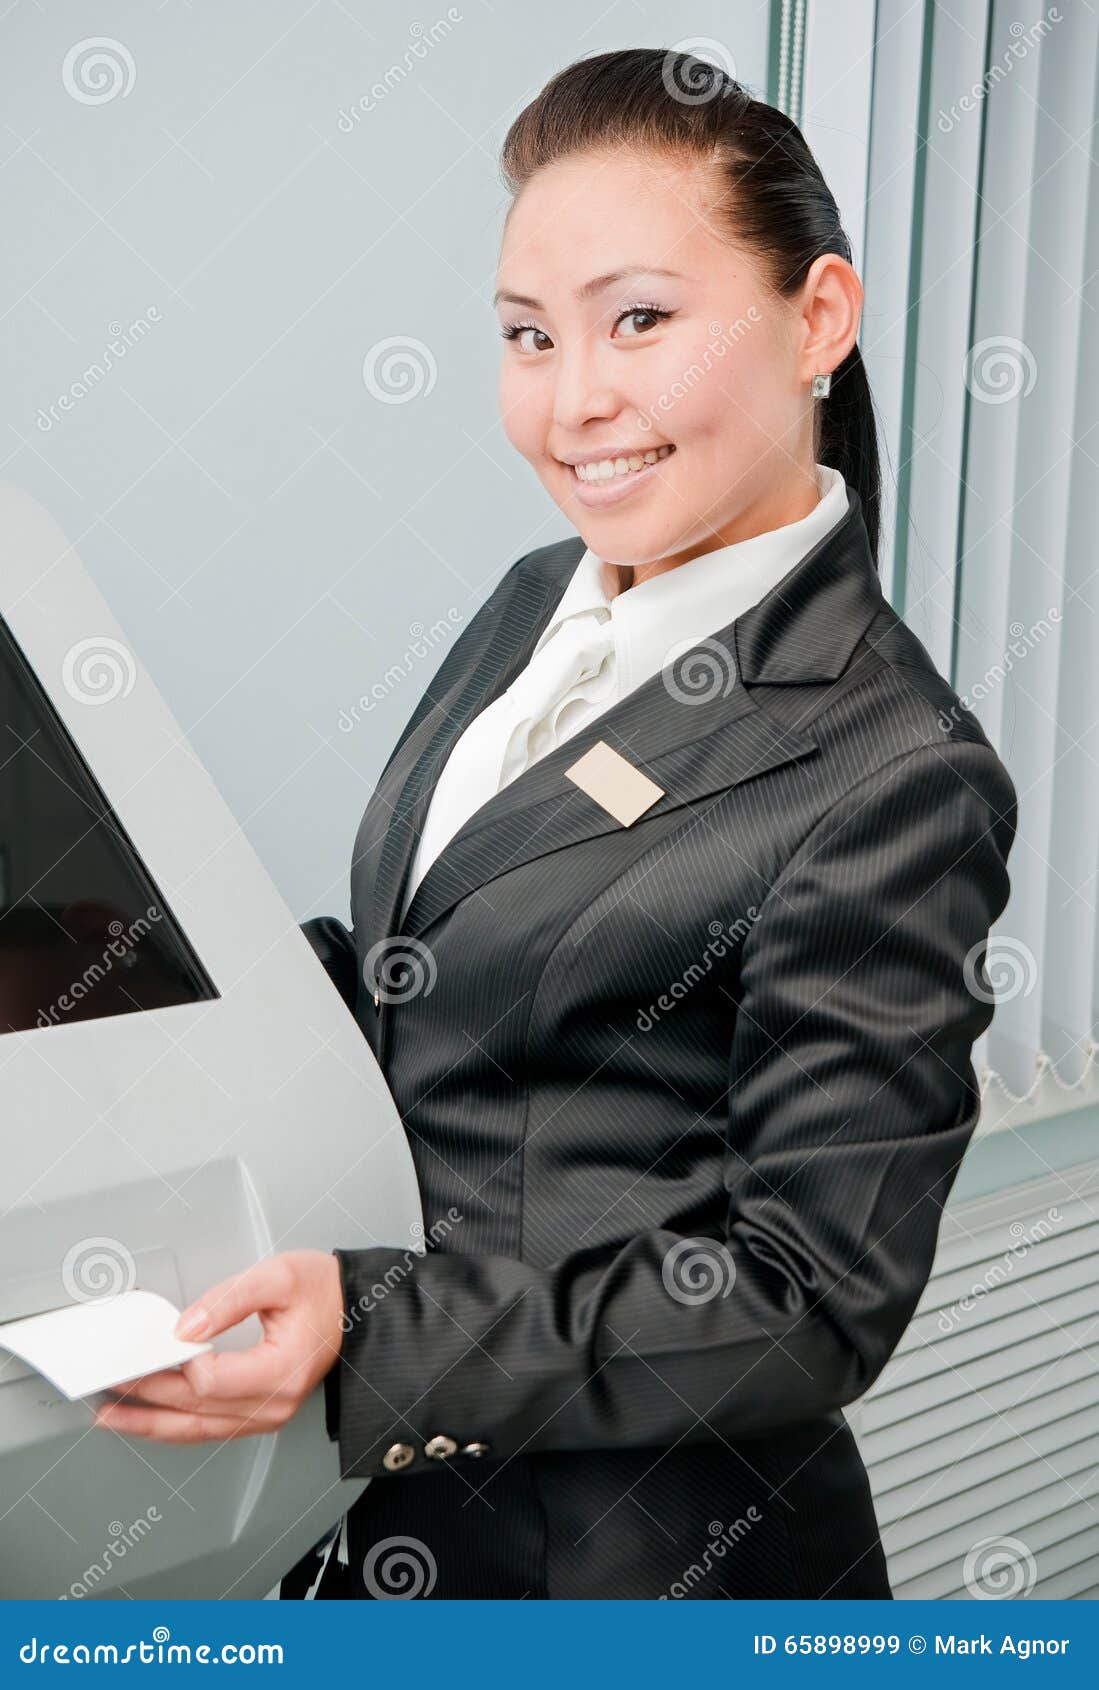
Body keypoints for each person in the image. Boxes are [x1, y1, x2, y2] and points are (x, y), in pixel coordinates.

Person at [94, 47, 1018, 1601]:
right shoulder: (541, 599)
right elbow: (441, 969)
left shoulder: (891, 769)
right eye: (528, 334)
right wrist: (116, 972)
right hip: (387, 1542)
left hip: (639, 1571)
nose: (574, 398)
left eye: (640, 319)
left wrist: (374, 1336)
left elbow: (810, 1292)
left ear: (821, 319)